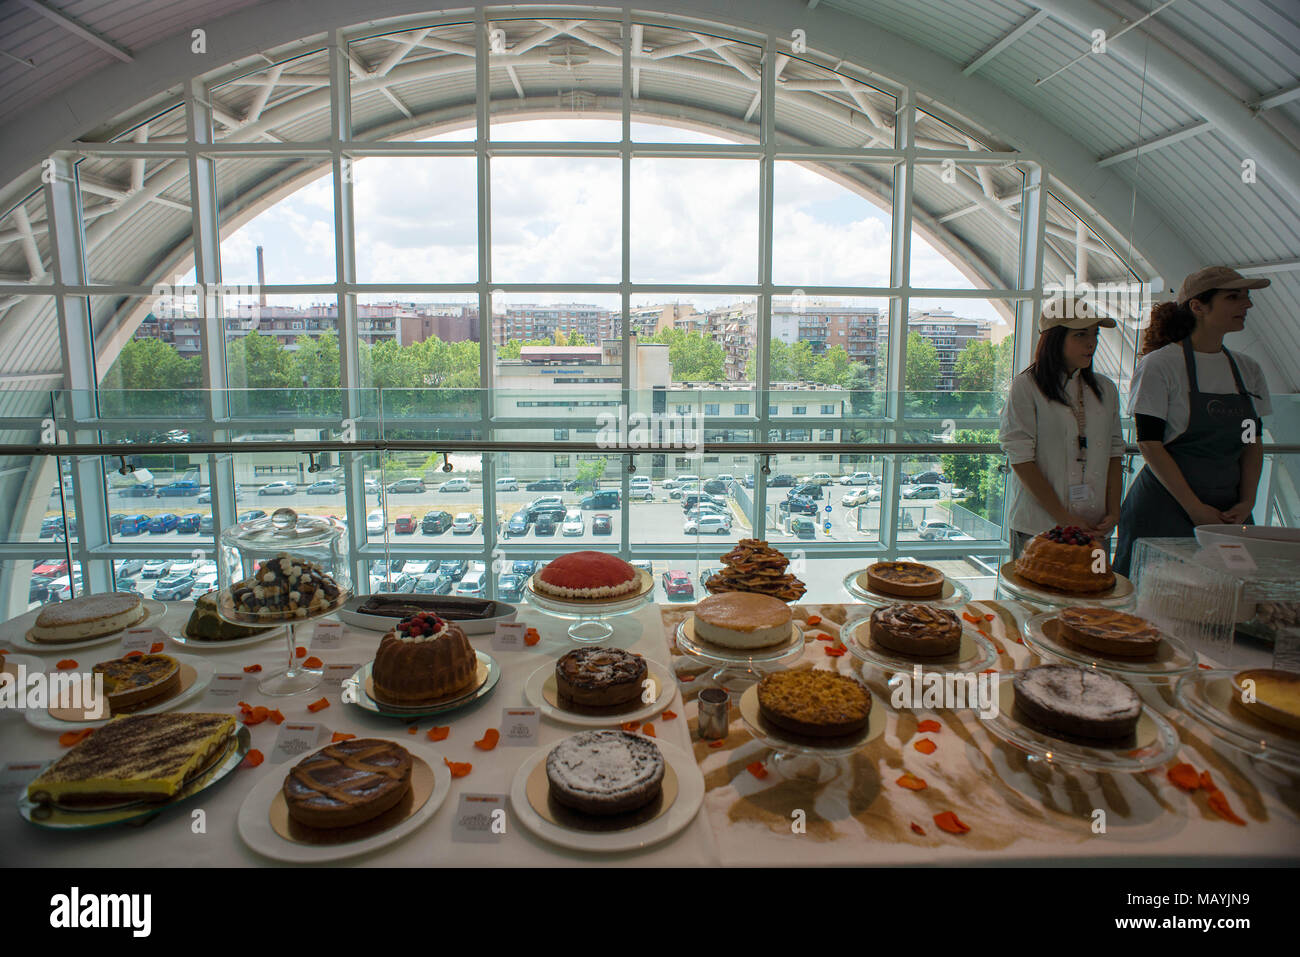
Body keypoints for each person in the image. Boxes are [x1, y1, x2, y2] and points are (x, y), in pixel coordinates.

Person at [1113, 266, 1271, 575]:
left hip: (1228, 514)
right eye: (1234, 297)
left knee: (1221, 605)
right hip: (1164, 508)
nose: (1247, 305)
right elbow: (1149, 443)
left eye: (1246, 297)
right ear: (1198, 306)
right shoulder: (1160, 365)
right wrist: (1195, 508)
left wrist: (1247, 502)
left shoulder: (1248, 369)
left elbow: (1252, 441)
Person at [1000, 301, 1126, 559]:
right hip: (1039, 526)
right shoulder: (1026, 387)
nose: (1092, 343)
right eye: (1081, 334)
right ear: (1054, 338)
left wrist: (1114, 512)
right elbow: (1021, 460)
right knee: (1035, 597)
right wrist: (1065, 519)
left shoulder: (1105, 389)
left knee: (1090, 597)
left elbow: (1115, 453)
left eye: (1095, 334)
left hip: (1094, 527)